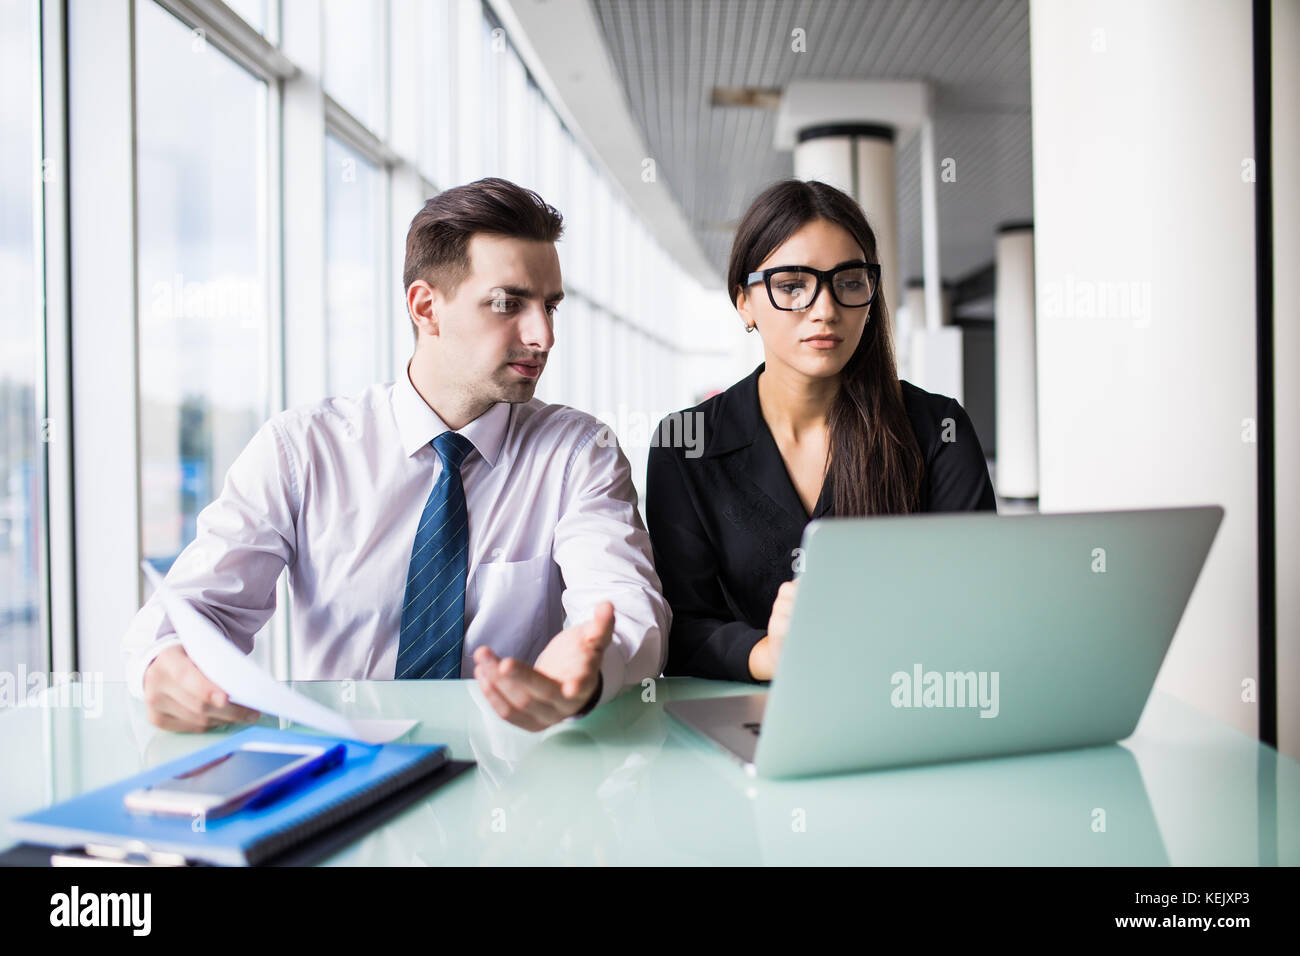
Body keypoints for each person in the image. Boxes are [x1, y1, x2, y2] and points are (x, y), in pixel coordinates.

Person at [124, 177, 669, 733]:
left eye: (550, 306)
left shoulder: (578, 452)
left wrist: (587, 670)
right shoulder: (302, 450)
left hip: (517, 774)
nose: (543, 335)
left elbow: (625, 606)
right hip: (349, 773)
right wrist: (164, 662)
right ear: (425, 307)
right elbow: (195, 609)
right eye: (509, 303)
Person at [645, 179, 996, 684]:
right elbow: (681, 626)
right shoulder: (686, 446)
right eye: (792, 285)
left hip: (911, 701)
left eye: (849, 282)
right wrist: (768, 654)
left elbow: (979, 602)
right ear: (744, 301)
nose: (826, 309)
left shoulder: (937, 430)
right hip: (752, 714)